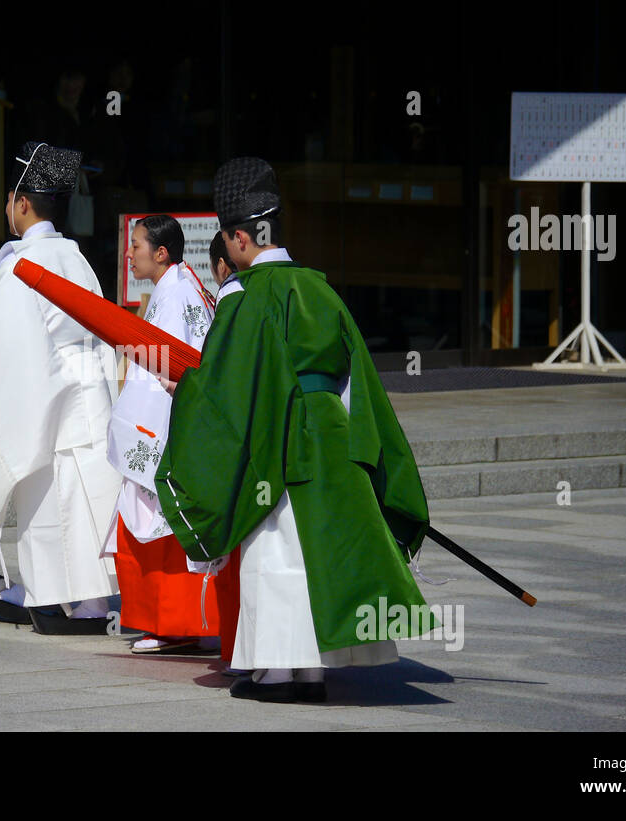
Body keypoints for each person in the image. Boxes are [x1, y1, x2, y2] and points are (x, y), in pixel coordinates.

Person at [154, 157, 435, 701]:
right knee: (318, 556)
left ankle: (281, 672)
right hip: (334, 439)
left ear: (238, 238)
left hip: (276, 439)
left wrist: (186, 394)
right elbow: (360, 381)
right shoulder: (322, 290)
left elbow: (226, 387)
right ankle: (311, 671)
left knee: (278, 552)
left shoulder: (243, 296)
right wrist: (367, 458)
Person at [0, 142, 122, 634]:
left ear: (20, 203)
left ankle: (51, 598)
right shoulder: (77, 257)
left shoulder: (22, 262)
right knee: (89, 502)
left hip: (51, 397)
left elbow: (3, 342)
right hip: (90, 397)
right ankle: (95, 602)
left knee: (52, 504)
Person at [104, 215, 224, 654]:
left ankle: (172, 624)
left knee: (160, 525)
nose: (128, 253)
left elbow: (164, 375)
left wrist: (138, 430)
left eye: (135, 245)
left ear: (161, 253)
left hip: (165, 427)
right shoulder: (178, 287)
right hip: (175, 424)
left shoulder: (175, 294)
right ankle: (176, 623)